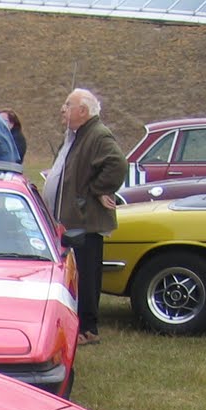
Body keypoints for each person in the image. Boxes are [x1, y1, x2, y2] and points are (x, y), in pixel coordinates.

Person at [42, 88, 127, 346]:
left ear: (83, 111)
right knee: (75, 273)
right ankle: (75, 323)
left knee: (88, 274)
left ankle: (88, 329)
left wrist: (98, 189)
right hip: (71, 221)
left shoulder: (98, 134)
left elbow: (118, 164)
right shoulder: (77, 135)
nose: (62, 109)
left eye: (68, 105)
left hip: (86, 222)